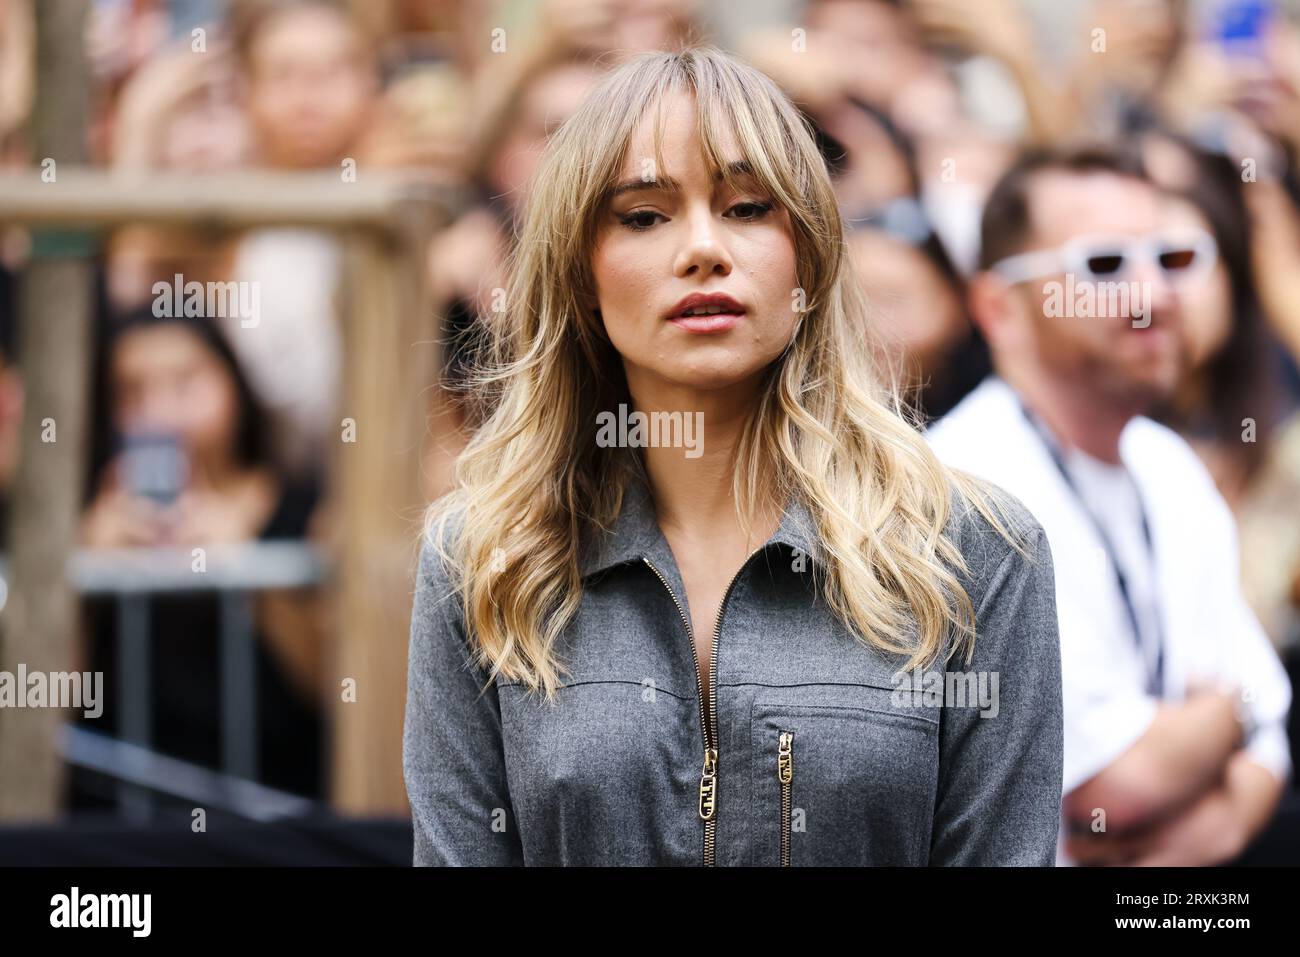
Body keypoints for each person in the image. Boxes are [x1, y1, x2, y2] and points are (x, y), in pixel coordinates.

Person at [403, 47, 1063, 867]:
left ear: (809, 256)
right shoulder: (480, 558)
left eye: (748, 207)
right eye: (643, 215)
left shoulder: (977, 549)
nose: (703, 249)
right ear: (580, 272)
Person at [926, 146, 1293, 865]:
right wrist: (1233, 713)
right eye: (1103, 265)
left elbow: (1270, 729)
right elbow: (1111, 785)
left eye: (1173, 257)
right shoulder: (960, 487)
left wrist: (1205, 822)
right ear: (999, 306)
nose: (1155, 294)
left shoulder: (1167, 463)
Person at [78, 306, 324, 797]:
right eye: (131, 392)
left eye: (185, 383)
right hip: (114, 817)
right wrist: (81, 571)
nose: (158, 412)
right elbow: (42, 706)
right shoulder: (92, 515)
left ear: (233, 384)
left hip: (272, 811)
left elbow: (334, 687)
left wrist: (248, 567)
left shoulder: (299, 510)